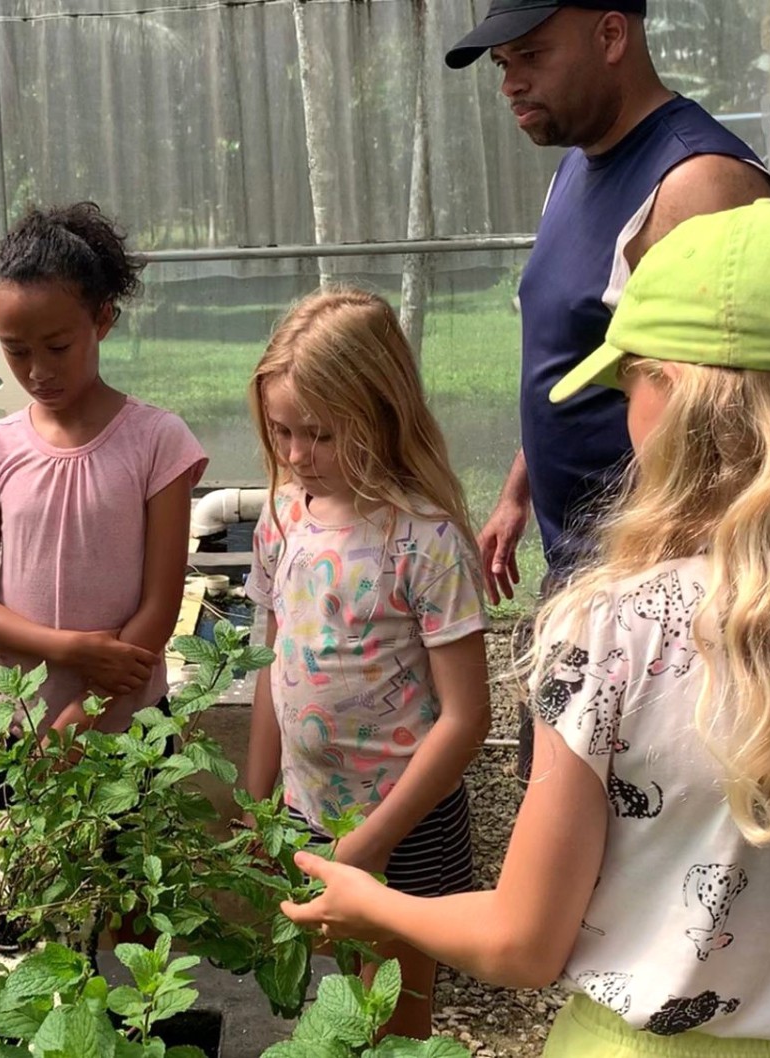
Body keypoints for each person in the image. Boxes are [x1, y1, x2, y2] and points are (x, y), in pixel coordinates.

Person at [282, 202, 770, 1058]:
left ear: (680, 396)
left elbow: (523, 941)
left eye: (629, 386)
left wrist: (374, 904)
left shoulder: (616, 631)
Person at [445, 0, 770, 596]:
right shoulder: (574, 169)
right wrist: (518, 492)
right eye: (501, 63)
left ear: (611, 35)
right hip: (583, 576)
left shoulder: (698, 185)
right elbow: (575, 355)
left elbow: (743, 429)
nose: (510, 84)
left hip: (657, 591)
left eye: (531, 55)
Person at [244, 289, 492, 1040]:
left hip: (403, 827)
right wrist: (256, 799)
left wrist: (373, 842)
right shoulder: (282, 516)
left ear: (381, 413)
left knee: (397, 1012)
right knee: (343, 992)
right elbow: (271, 664)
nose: (295, 455)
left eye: (320, 434)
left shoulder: (425, 540)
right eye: (282, 431)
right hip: (307, 813)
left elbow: (466, 718)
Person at [0, 202, 207, 810]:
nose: (38, 371)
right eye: (16, 351)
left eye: (58, 346)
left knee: (128, 873)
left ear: (103, 319)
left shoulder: (157, 443)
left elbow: (158, 612)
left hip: (124, 735)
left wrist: (76, 722)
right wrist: (67, 649)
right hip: (9, 732)